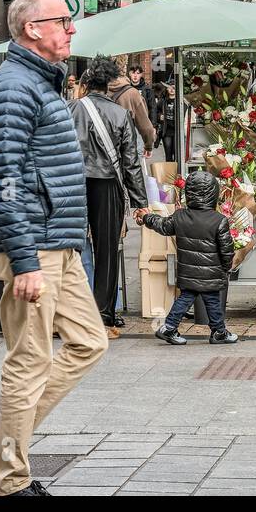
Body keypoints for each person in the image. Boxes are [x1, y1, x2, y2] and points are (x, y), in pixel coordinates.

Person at [0, 0, 106, 496]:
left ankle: (5, 439)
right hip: (35, 246)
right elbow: (3, 178)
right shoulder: (12, 88)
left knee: (90, 343)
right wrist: (25, 261)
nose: (71, 28)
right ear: (33, 29)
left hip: (60, 243)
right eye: (62, 21)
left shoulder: (42, 84)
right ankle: (11, 480)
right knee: (29, 361)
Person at [70, 56, 149, 339]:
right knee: (107, 251)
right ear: (109, 84)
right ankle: (103, 316)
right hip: (107, 186)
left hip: (74, 184)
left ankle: (72, 314)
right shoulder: (120, 114)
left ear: (87, 83)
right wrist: (140, 203)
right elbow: (131, 163)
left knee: (71, 249)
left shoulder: (72, 109)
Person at [136, 171, 239, 345]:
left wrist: (146, 217)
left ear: (189, 194)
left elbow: (162, 226)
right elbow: (227, 249)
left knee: (185, 298)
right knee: (212, 300)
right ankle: (218, 332)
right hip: (211, 271)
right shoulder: (219, 220)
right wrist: (226, 266)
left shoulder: (180, 216)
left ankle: (170, 327)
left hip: (188, 270)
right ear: (214, 193)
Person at [109, 64, 157, 154]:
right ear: (129, 74)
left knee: (137, 151)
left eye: (138, 73)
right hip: (127, 123)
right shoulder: (122, 88)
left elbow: (152, 107)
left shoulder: (147, 89)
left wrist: (153, 125)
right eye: (133, 73)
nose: (135, 75)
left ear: (141, 75)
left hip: (141, 122)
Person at [158, 82, 179, 164]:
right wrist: (159, 116)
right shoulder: (163, 101)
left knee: (176, 152)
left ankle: (177, 172)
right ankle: (169, 172)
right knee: (168, 153)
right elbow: (156, 111)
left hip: (177, 130)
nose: (172, 89)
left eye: (174, 88)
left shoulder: (180, 101)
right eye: (170, 87)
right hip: (166, 130)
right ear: (166, 89)